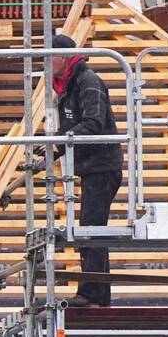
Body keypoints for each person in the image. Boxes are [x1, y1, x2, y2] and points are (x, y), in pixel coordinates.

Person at [51, 33, 122, 306]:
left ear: (64, 57)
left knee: (91, 229)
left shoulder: (87, 80)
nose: (46, 65)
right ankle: (96, 294)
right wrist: (49, 148)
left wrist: (58, 142)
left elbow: (93, 123)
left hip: (102, 166)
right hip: (91, 167)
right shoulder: (68, 85)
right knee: (91, 228)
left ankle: (94, 294)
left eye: (50, 58)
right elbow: (71, 129)